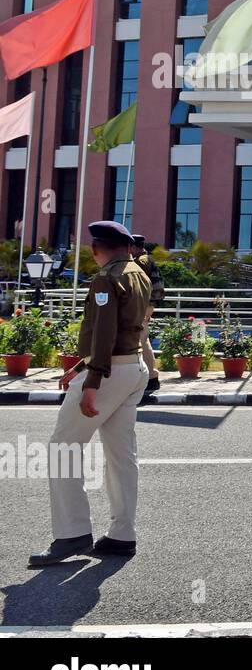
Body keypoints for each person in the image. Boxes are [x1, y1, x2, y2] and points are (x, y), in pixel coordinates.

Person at [28, 221, 152, 567]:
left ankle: (72, 534)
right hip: (133, 367)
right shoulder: (138, 272)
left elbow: (104, 332)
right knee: (121, 453)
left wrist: (92, 380)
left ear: (98, 250)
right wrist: (81, 367)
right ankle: (122, 534)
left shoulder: (105, 278)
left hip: (109, 370)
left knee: (63, 446)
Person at [132, 234, 165, 393]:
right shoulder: (147, 259)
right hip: (148, 305)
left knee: (141, 340)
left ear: (133, 247)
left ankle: (150, 377)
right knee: (143, 340)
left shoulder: (140, 262)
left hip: (143, 305)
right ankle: (150, 377)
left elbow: (138, 286)